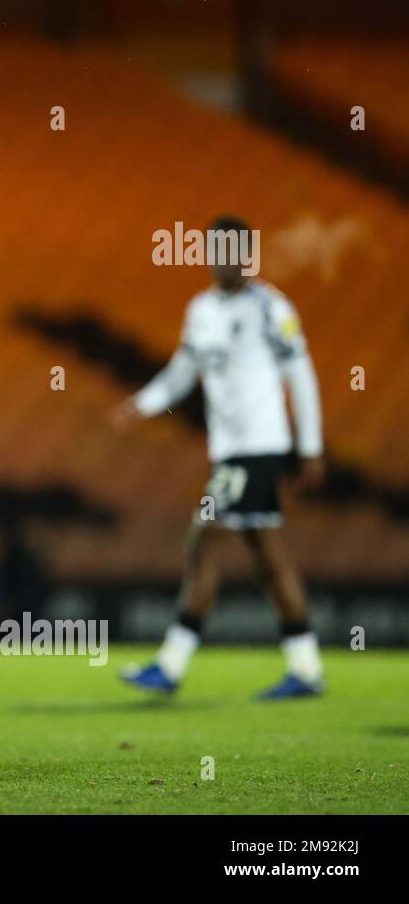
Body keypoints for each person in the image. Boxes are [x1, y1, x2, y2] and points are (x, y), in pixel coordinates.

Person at [113, 216, 325, 699]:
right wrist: (139, 405)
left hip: (259, 449)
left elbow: (302, 374)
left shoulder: (271, 307)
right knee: (269, 556)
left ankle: (171, 664)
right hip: (228, 451)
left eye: (232, 251)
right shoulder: (202, 310)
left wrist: (310, 447)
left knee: (204, 541)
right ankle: (307, 667)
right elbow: (181, 374)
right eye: (215, 250)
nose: (222, 260)